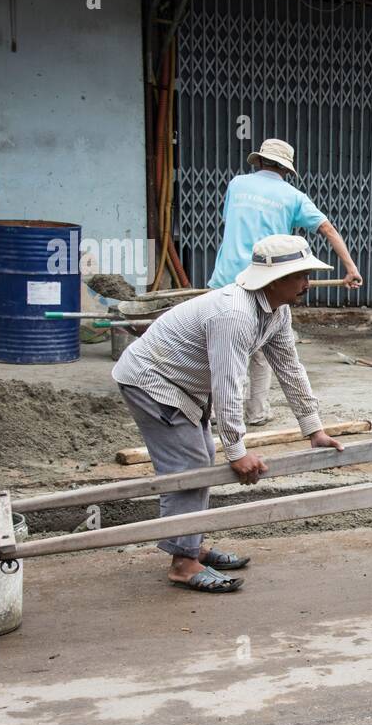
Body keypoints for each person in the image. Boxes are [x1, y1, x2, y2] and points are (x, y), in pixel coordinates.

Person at [113, 235, 347, 593]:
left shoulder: (277, 312)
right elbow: (229, 384)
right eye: (299, 275)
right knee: (189, 466)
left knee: (203, 458)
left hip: (184, 384)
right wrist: (237, 451)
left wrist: (313, 428)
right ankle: (183, 564)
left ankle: (190, 543)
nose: (307, 283)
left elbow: (290, 368)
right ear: (274, 279)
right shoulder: (234, 314)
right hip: (152, 379)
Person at [210, 138, 363, 426]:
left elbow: (229, 221)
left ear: (261, 161)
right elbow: (327, 228)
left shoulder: (237, 184)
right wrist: (350, 268)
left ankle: (220, 413)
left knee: (226, 349)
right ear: (286, 168)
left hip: (226, 279)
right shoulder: (293, 196)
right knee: (265, 349)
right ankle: (256, 411)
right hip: (269, 282)